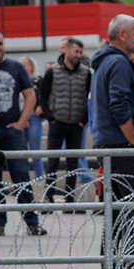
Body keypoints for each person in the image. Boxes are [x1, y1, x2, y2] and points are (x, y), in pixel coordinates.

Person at [89, 15, 134, 269]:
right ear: (123, 35)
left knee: (116, 213)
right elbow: (118, 105)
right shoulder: (117, 62)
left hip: (109, 143)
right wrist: (133, 142)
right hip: (121, 146)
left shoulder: (107, 61)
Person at [0, 31, 43, 237]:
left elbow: (30, 96)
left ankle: (32, 222)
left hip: (11, 131)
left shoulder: (15, 67)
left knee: (21, 174)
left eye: (0, 43)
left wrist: (21, 123)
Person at [38, 37, 93, 202]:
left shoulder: (85, 73)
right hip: (57, 122)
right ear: (67, 50)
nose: (78, 55)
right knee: (53, 161)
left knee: (73, 163)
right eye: (76, 51)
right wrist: (50, 118)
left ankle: (70, 198)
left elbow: (90, 96)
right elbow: (42, 95)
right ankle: (49, 196)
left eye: (81, 52)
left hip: (76, 124)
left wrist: (83, 120)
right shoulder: (53, 71)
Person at [18, 55, 47, 182]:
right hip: (21, 117)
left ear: (31, 67)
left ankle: (39, 179)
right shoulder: (16, 82)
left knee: (36, 152)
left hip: (34, 117)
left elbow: (44, 95)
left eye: (24, 65)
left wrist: (40, 107)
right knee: (22, 151)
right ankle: (24, 180)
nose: (22, 67)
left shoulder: (37, 81)